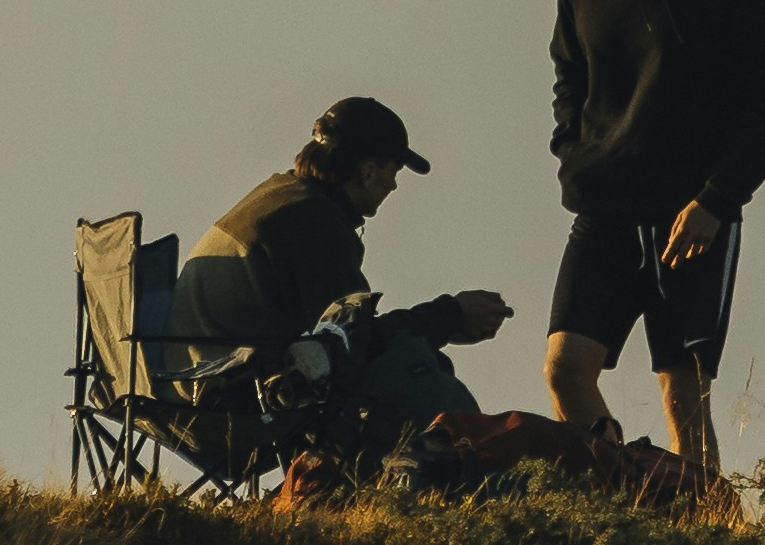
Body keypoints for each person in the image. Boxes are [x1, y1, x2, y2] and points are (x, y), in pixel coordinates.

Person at [546, 0, 765, 493]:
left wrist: (716, 201)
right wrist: (572, 150)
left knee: (682, 390)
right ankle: (619, 494)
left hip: (695, 217)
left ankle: (699, 522)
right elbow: (568, 71)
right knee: (565, 369)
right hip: (604, 206)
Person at [191, 92, 521, 480]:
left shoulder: (278, 196)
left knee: (412, 357)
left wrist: (443, 324)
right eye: (393, 173)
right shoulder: (314, 221)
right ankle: (470, 482)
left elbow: (336, 337)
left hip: (193, 385)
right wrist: (450, 316)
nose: (393, 187)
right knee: (411, 366)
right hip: (238, 401)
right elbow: (350, 345)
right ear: (367, 171)